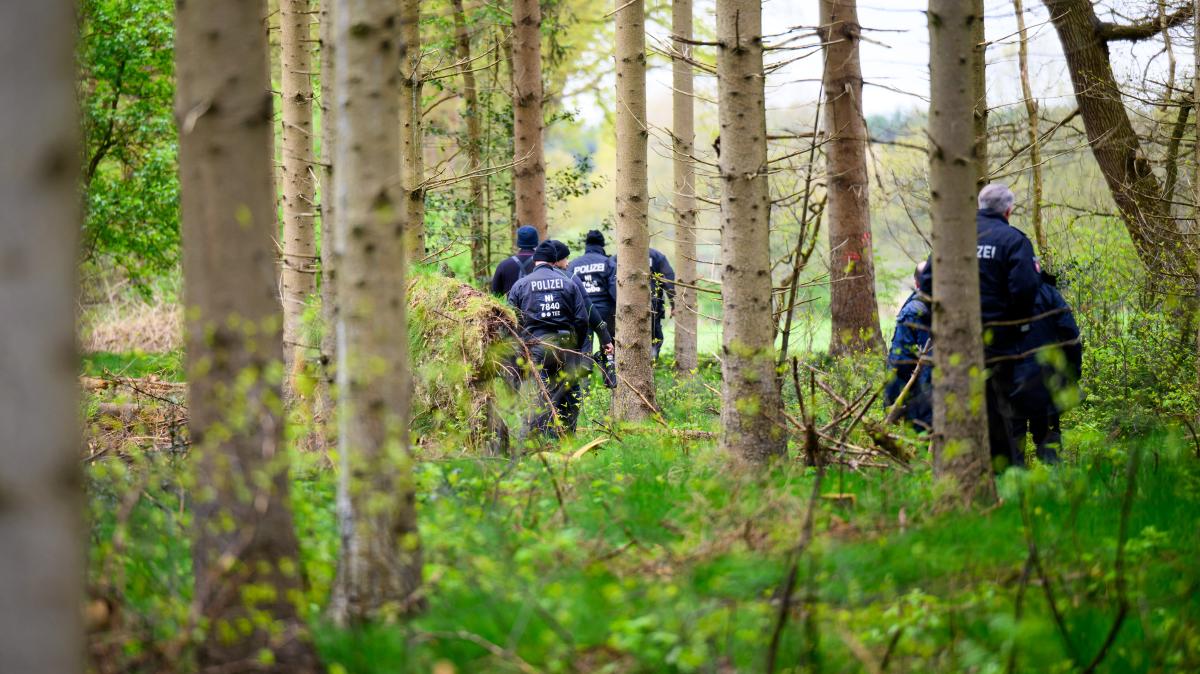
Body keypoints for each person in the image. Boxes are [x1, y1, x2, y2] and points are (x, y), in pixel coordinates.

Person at [918, 183, 1040, 468]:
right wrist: (1012, 326)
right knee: (1000, 410)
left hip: (954, 339)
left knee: (958, 406)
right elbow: (1024, 290)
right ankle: (1003, 473)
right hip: (999, 342)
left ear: (980, 205)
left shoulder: (952, 238)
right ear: (1008, 211)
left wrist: (942, 323)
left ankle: (959, 468)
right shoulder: (1014, 241)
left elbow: (926, 284)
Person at [508, 240, 612, 438]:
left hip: (535, 346)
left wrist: (521, 348)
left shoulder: (521, 285)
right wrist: (578, 347)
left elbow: (511, 322)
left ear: (536, 261)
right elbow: (582, 319)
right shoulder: (569, 282)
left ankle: (534, 439)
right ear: (553, 261)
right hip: (565, 347)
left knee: (539, 393)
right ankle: (566, 438)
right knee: (569, 392)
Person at [1009, 268, 1082, 464]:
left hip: (1011, 383)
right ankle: (1053, 488)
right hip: (1046, 382)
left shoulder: (998, 293)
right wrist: (1073, 372)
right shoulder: (1048, 293)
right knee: (1048, 442)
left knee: (1013, 446)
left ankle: (1013, 489)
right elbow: (1071, 335)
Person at [884, 262, 933, 429]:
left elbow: (900, 362)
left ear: (917, 283)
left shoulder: (912, 312)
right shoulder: (963, 308)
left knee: (921, 448)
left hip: (922, 402)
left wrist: (891, 402)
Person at [609, 247, 676, 359]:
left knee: (626, 336)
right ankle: (650, 362)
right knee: (655, 337)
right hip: (652, 304)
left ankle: (629, 364)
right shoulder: (656, 256)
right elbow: (668, 279)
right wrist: (674, 304)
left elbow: (610, 281)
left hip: (626, 305)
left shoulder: (619, 256)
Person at [567, 230, 617, 337]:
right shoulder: (609, 263)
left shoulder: (573, 265)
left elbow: (569, 289)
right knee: (609, 346)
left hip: (582, 311)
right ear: (602, 245)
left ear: (587, 244)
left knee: (585, 347)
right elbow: (614, 292)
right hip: (605, 311)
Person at [491, 225, 540, 296]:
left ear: (518, 242)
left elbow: (496, 295)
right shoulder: (543, 265)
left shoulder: (504, 265)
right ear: (536, 242)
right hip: (538, 306)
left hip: (510, 307)